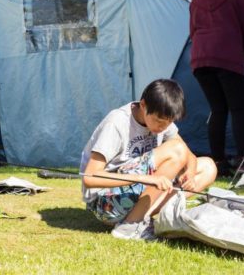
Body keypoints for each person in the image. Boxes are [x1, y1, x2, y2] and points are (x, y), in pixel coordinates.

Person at [80, 79, 217, 240]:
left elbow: (189, 155)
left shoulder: (163, 120)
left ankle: (143, 217)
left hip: (135, 194)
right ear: (143, 105)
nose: (162, 128)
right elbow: (90, 177)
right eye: (159, 121)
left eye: (168, 123)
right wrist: (144, 178)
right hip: (105, 204)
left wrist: (191, 174)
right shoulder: (117, 122)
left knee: (208, 167)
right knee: (176, 150)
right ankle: (131, 226)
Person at [189, 0, 244, 175]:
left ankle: (216, 162)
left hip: (201, 59)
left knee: (218, 110)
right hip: (227, 57)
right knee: (238, 109)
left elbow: (193, 29)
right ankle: (243, 162)